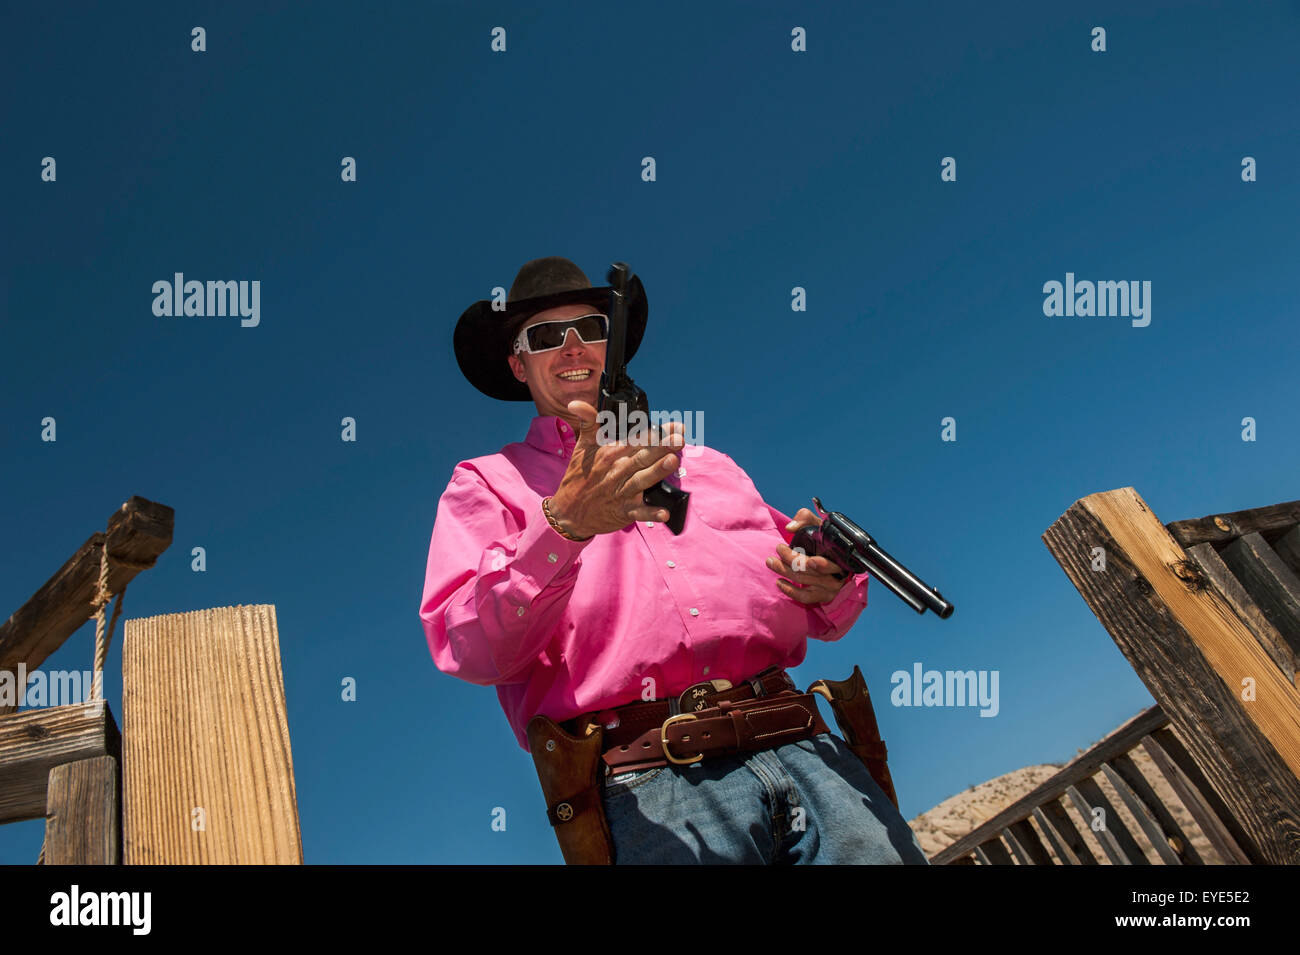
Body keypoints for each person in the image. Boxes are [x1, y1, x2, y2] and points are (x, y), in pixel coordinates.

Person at [420, 256, 928, 864]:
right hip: (653, 789)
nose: (574, 346)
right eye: (547, 336)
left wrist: (828, 582)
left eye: (591, 327)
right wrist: (562, 527)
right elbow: (471, 649)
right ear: (518, 364)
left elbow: (820, 606)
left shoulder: (710, 464)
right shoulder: (486, 483)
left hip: (810, 749)